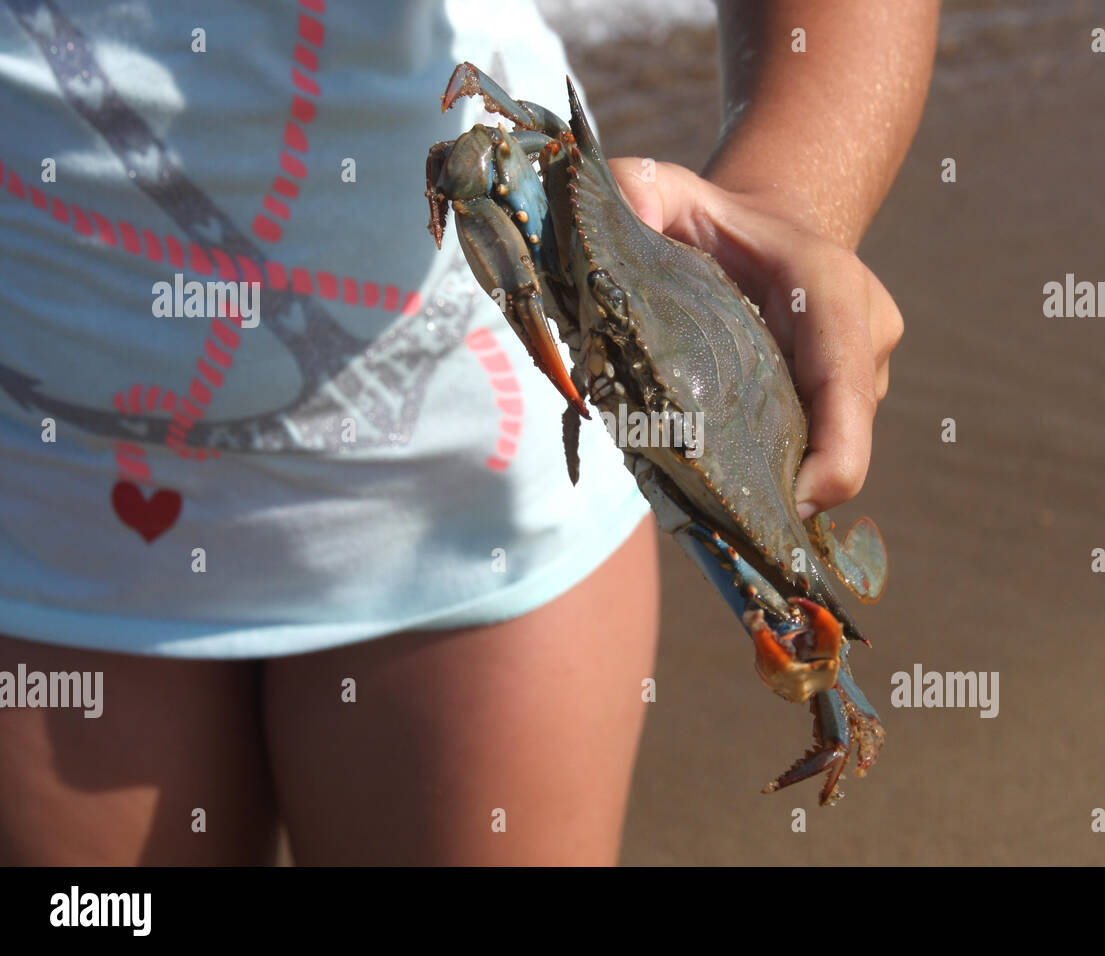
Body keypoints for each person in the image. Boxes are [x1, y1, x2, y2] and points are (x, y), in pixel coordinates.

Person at [0, 0, 935, 865]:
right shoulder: (530, 166)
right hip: (36, 482)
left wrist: (791, 196)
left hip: (482, 473)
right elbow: (483, 155)